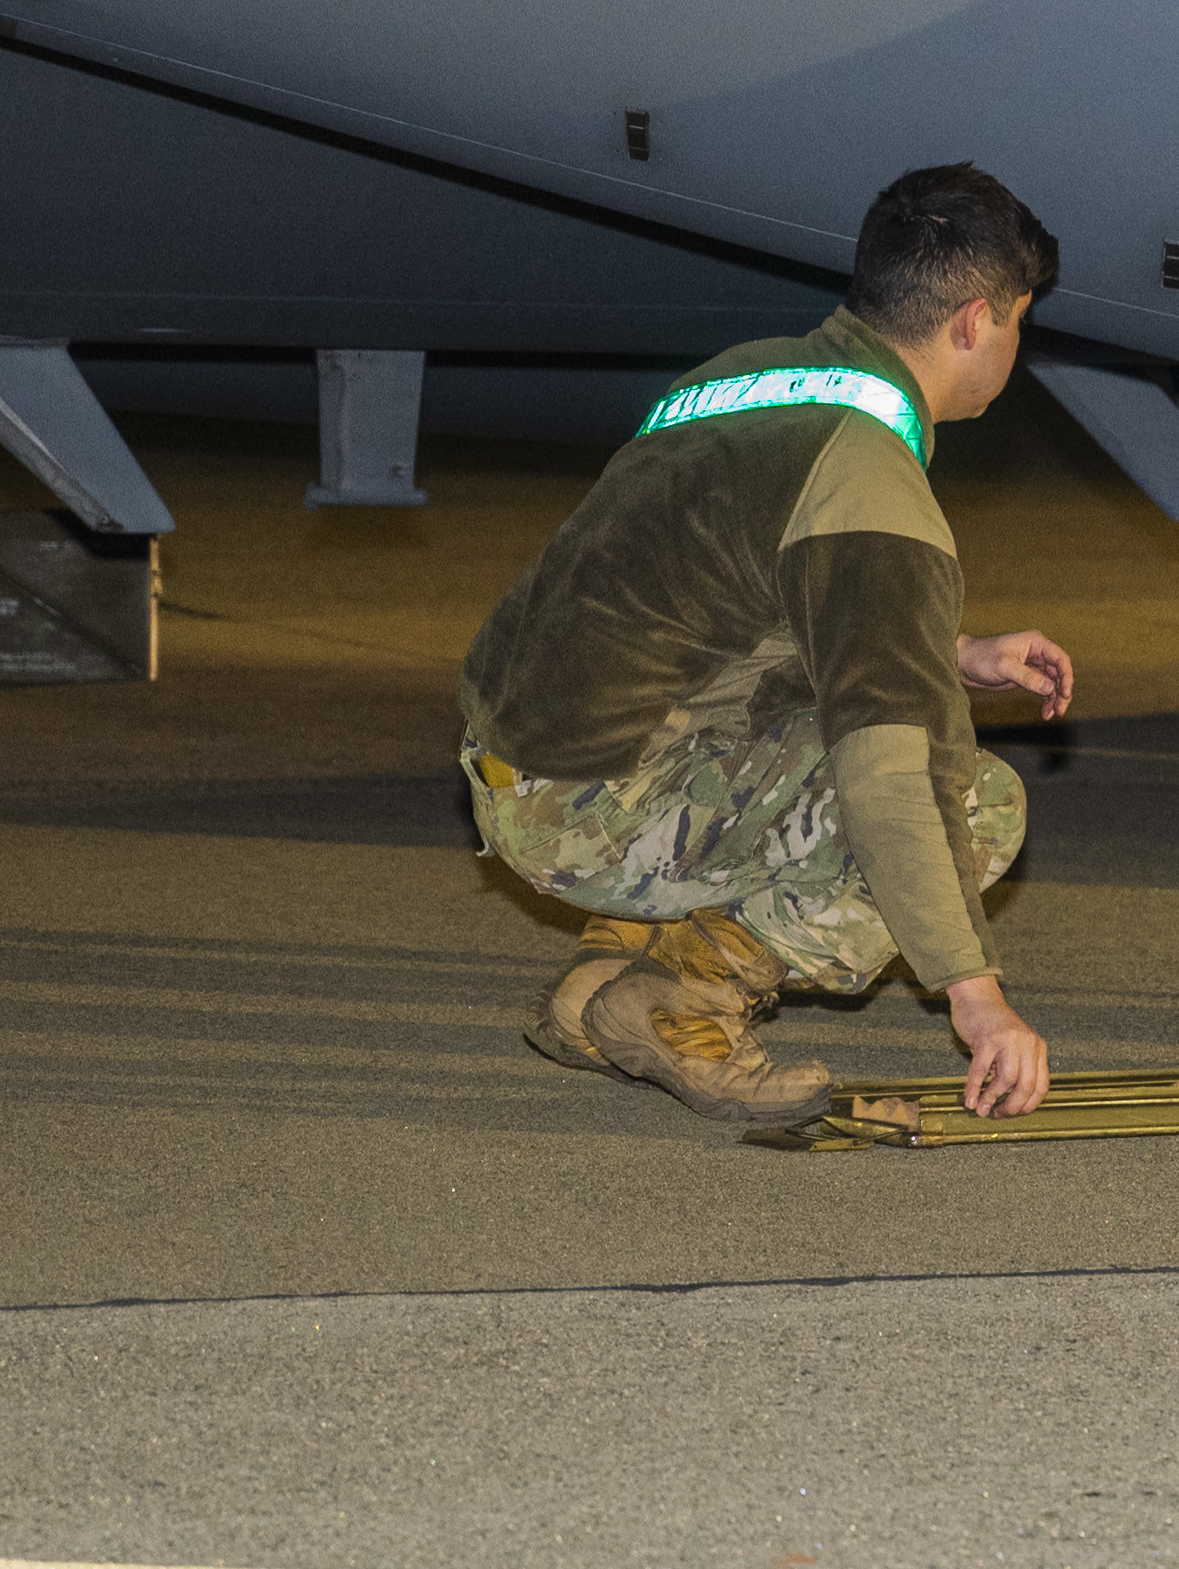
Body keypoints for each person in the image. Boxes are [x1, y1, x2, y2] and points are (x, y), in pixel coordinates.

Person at [458, 164, 1076, 1127]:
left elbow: (723, 602)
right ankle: (683, 1000)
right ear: (972, 320)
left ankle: (605, 977)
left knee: (847, 707)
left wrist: (950, 648)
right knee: (963, 792)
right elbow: (891, 774)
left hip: (519, 753)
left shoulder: (748, 374)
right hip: (591, 802)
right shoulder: (869, 477)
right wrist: (977, 997)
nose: (1015, 347)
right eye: (1018, 323)